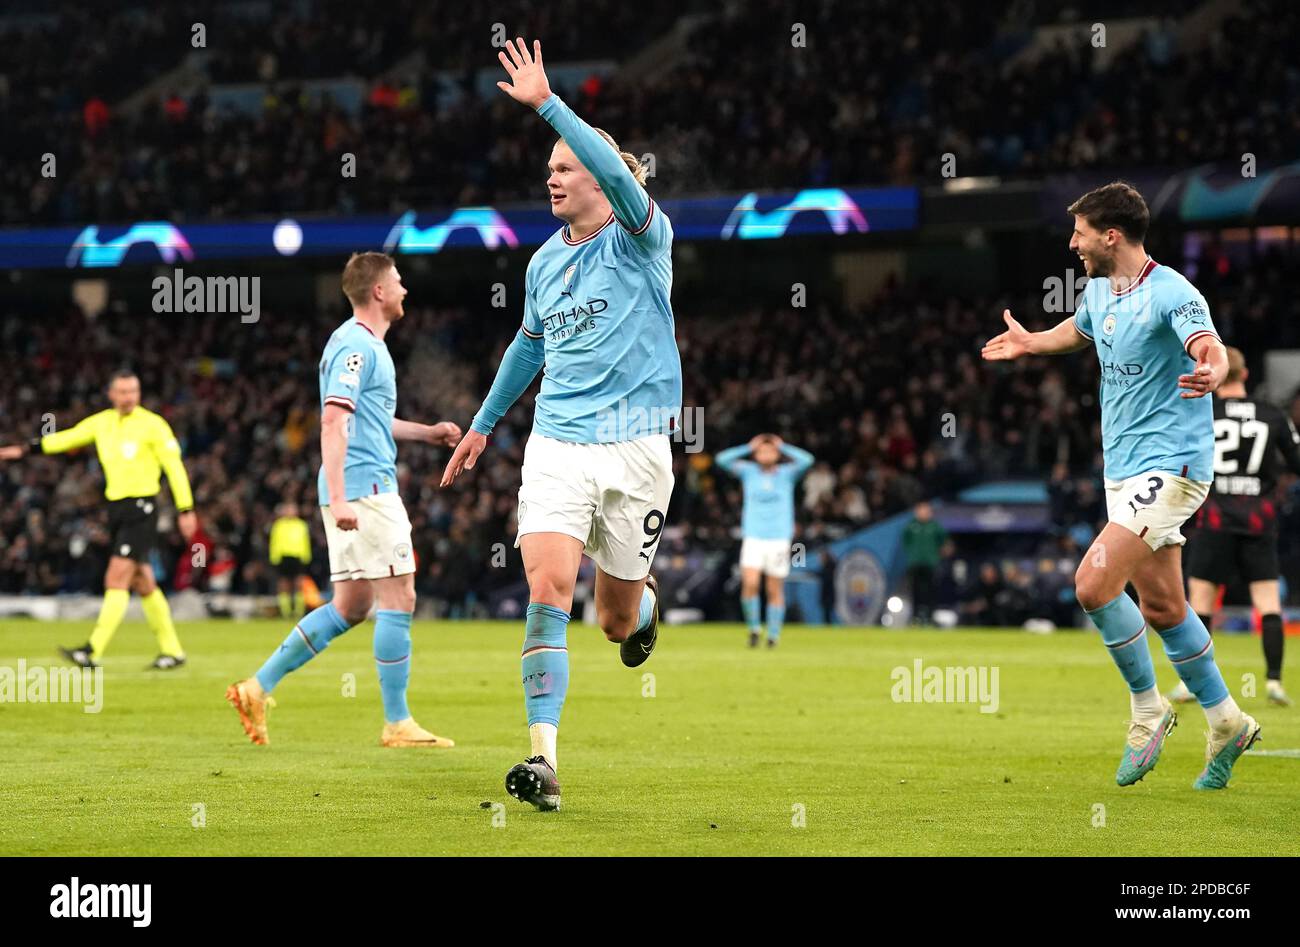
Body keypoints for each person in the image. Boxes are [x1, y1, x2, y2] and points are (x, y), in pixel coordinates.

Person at [441, 38, 681, 812]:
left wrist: (549, 103)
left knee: (613, 621)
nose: (553, 174)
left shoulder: (643, 238)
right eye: (548, 167)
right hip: (557, 445)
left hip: (639, 446)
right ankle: (542, 758)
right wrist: (484, 423)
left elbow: (613, 168)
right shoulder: (542, 264)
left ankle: (642, 606)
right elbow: (527, 346)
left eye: (565, 166)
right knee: (547, 587)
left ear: (601, 178)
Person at [981, 181, 1258, 790]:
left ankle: (1147, 710)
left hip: (1174, 467)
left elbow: (1204, 345)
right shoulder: (1101, 290)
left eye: (1079, 232)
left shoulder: (1173, 292)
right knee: (1163, 606)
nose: (1071, 242)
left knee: (1092, 583)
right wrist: (1032, 341)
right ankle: (1228, 720)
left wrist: (1210, 370)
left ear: (1111, 235)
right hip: (1125, 470)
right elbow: (1078, 331)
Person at [226, 252, 462, 748]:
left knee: (352, 605)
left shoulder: (354, 343)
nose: (404, 290)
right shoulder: (358, 346)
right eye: (397, 282)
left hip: (354, 488)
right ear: (378, 291)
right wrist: (341, 497)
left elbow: (366, 420)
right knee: (401, 596)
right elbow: (333, 420)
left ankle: (257, 686)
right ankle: (397, 723)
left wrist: (428, 432)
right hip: (365, 490)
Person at [0, 369, 196, 669]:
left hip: (142, 508)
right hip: (117, 510)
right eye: (123, 391)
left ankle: (91, 650)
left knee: (115, 577)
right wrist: (25, 449)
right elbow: (65, 439)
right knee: (144, 583)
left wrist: (186, 509)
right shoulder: (102, 422)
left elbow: (175, 468)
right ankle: (173, 651)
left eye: (134, 391)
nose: (129, 397)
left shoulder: (154, 426)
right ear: (111, 394)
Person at [1174, 346, 1300, 707]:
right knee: (1269, 603)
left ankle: (1190, 684)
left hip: (1213, 518)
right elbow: (1296, 461)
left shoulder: (1204, 412)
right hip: (1258, 520)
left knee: (1200, 604)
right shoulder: (1272, 414)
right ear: (1245, 376)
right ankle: (1274, 681)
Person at [714, 434, 814, 647]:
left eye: (770, 450)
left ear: (777, 455)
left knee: (773, 589)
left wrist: (784, 445)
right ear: (756, 455)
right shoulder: (748, 472)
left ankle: (773, 635)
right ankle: (754, 629)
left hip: (779, 539)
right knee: (750, 583)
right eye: (761, 451)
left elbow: (808, 460)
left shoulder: (787, 474)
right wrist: (748, 446)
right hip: (753, 537)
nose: (765, 454)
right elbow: (721, 459)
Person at [901, 501, 950, 625]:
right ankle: (915, 617)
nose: (923, 512)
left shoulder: (935, 526)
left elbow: (944, 542)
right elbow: (905, 542)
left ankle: (930, 616)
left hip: (930, 563)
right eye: (921, 510)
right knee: (915, 591)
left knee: (931, 591)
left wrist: (937, 555)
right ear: (916, 512)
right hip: (915, 563)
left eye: (926, 510)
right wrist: (912, 555)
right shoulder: (911, 526)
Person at [269, 501, 312, 618]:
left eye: (292, 509)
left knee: (299, 584)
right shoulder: (278, 525)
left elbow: (306, 542)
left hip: (298, 556)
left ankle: (298, 611)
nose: (290, 512)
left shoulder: (301, 525)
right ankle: (286, 612)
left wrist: (306, 556)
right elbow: (274, 542)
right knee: (284, 584)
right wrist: (274, 557)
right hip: (283, 557)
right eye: (288, 509)